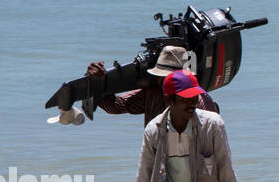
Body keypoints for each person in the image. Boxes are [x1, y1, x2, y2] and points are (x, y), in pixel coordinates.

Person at [87, 46, 219, 125]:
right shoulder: (153, 94)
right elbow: (116, 106)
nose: (161, 82)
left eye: (167, 78)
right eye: (159, 77)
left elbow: (213, 142)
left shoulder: (202, 102)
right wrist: (99, 82)